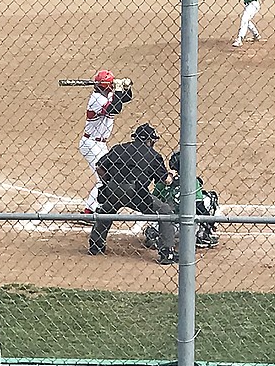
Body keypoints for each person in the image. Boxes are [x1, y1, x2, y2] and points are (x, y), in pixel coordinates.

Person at [89, 123, 179, 265]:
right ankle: (166, 253)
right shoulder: (154, 155)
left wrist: (108, 182)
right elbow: (165, 181)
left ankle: (96, 245)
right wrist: (171, 174)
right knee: (165, 211)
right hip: (136, 193)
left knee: (106, 210)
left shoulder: (118, 149)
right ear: (150, 140)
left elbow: (99, 167)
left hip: (113, 189)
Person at [78, 70, 133, 219]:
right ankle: (90, 211)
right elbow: (115, 108)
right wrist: (119, 89)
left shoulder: (105, 94)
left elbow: (125, 98)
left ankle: (95, 208)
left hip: (99, 144)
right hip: (91, 143)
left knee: (108, 176)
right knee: (104, 177)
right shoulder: (97, 99)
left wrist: (126, 88)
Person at [143, 149, 220, 250]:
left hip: (166, 227)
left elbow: (152, 202)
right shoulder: (192, 181)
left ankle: (154, 232)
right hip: (188, 228)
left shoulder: (162, 181)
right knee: (210, 197)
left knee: (158, 205)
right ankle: (202, 235)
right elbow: (199, 207)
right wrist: (210, 223)